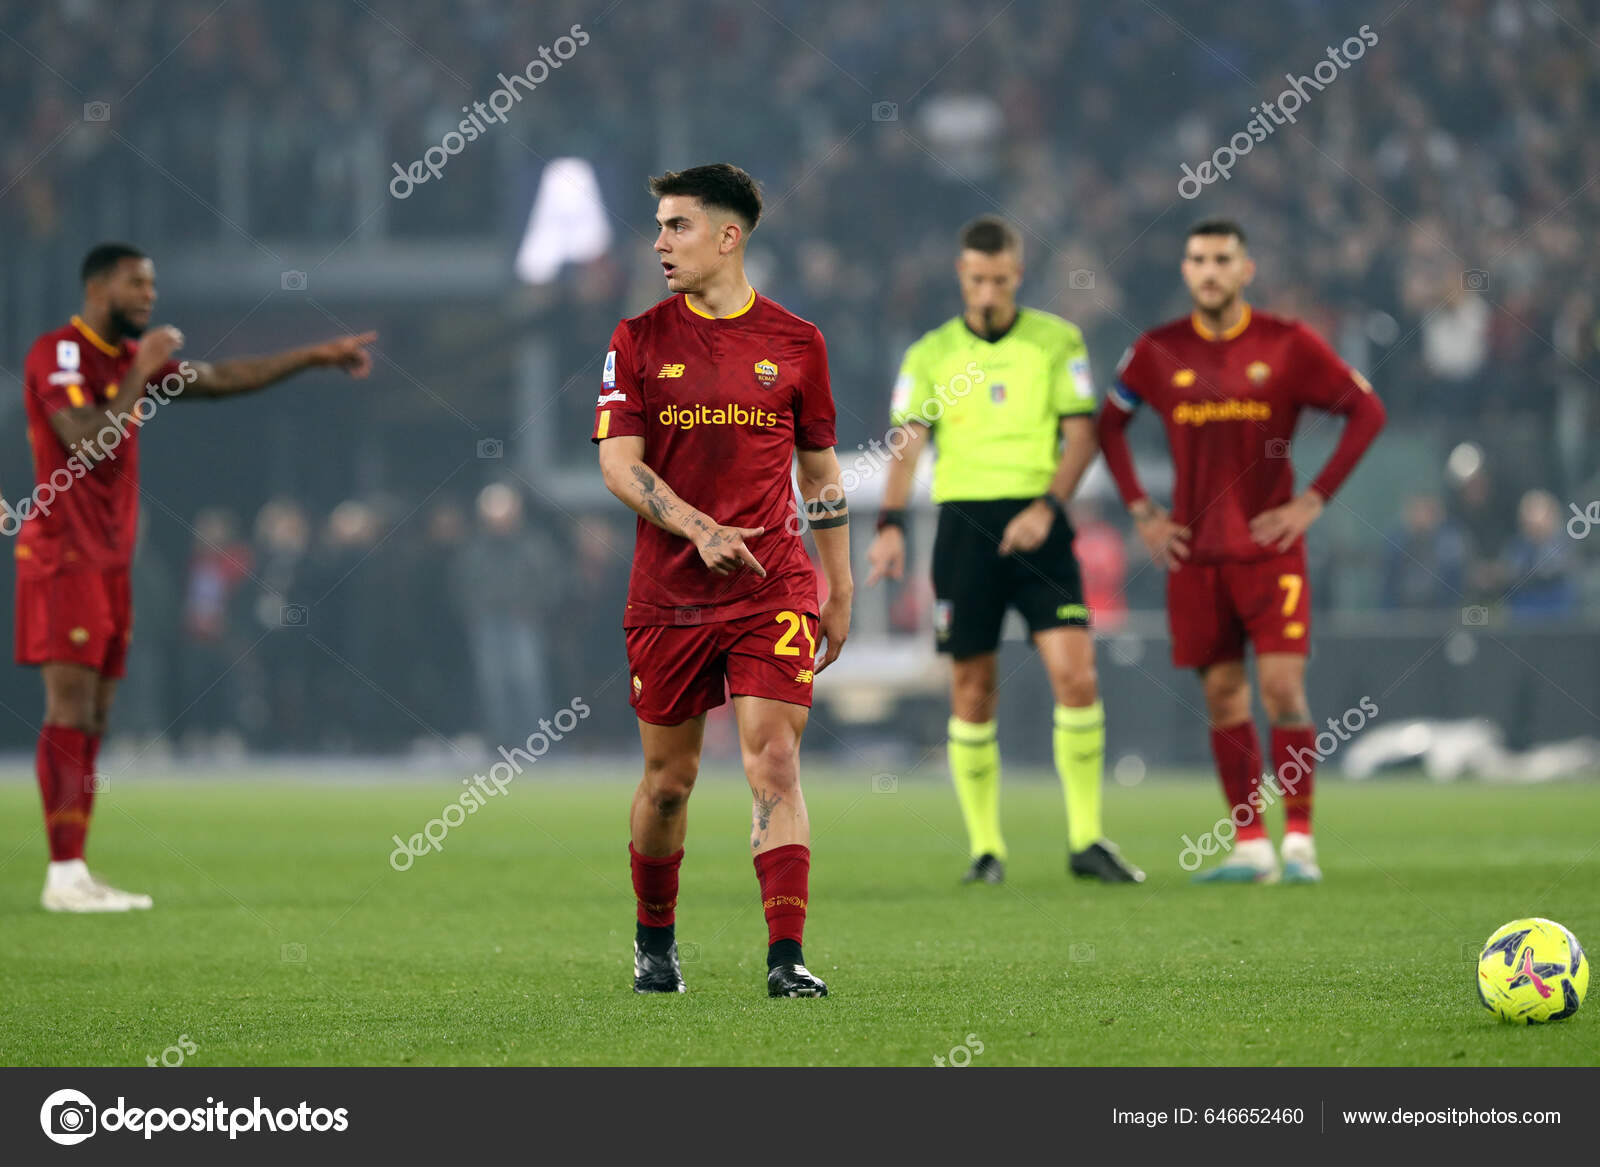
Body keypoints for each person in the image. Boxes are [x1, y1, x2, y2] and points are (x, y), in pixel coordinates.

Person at [15, 241, 376, 912]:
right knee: (68, 709)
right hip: (63, 555)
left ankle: (74, 867)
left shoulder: (127, 362)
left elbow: (224, 379)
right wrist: (142, 369)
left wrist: (312, 357)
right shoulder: (61, 353)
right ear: (98, 288)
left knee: (94, 714)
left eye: (153, 283)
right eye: (136, 283)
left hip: (109, 561)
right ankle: (62, 873)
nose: (150, 295)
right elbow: (88, 438)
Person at [593, 163, 850, 997]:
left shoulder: (796, 341)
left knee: (774, 761)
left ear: (728, 235)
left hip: (770, 584)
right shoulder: (637, 339)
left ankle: (786, 958)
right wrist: (699, 527)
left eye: (677, 227)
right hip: (668, 590)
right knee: (669, 784)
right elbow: (616, 464)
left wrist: (837, 587)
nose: (660, 243)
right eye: (660, 227)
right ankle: (654, 941)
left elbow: (820, 475)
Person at [1096, 220, 1386, 883]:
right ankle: (1252, 844)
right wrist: (1142, 510)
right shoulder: (1157, 350)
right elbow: (1109, 424)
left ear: (1246, 269)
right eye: (1197, 258)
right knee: (1225, 699)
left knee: (1283, 688)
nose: (1209, 270)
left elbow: (1366, 411)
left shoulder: (1286, 344)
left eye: (1222, 259)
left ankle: (1302, 841)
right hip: (1194, 557)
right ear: (1185, 268)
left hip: (1268, 550)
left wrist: (1313, 500)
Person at [865, 215, 1144, 886]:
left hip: (1041, 527)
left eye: (999, 278)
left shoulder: (1056, 340)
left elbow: (1082, 437)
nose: (987, 290)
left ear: (1017, 275)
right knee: (972, 687)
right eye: (976, 278)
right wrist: (893, 522)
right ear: (962, 277)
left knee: (1076, 675)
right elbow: (907, 444)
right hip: (965, 531)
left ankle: (1085, 838)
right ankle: (986, 850)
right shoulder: (931, 352)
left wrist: (1046, 507)